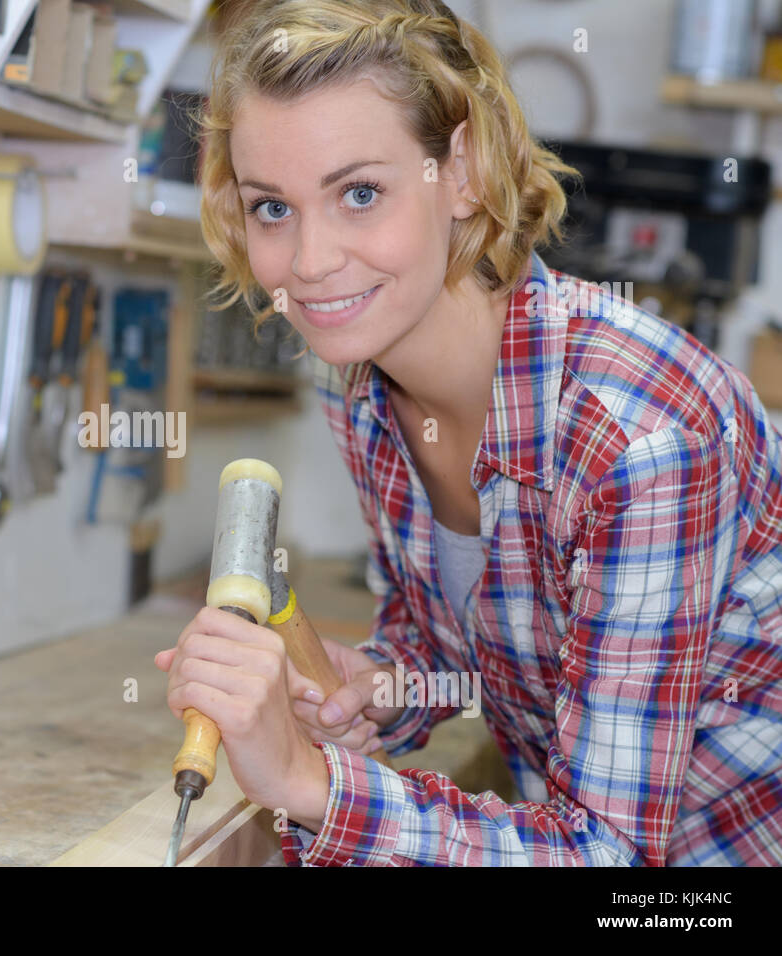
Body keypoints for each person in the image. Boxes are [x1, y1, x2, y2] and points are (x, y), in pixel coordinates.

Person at [155, 0, 782, 865]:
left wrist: (308, 783)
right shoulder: (357, 384)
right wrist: (374, 688)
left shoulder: (638, 439)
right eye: (272, 208)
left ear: (462, 170)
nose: (307, 261)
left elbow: (606, 860)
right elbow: (461, 644)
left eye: (359, 193)